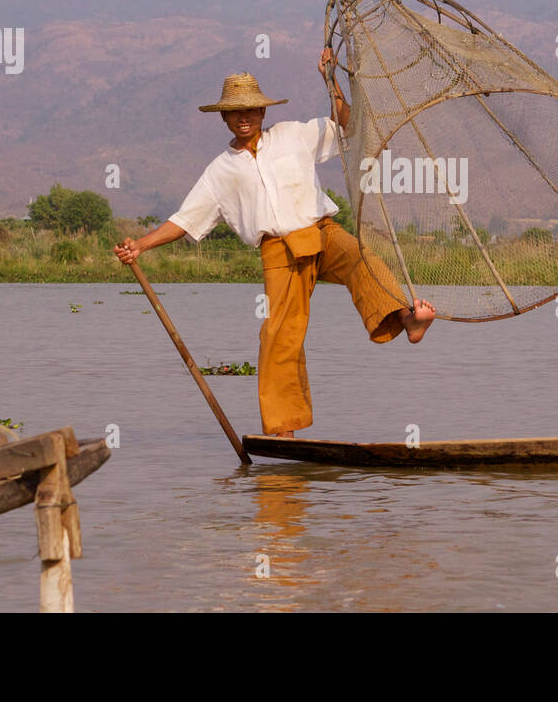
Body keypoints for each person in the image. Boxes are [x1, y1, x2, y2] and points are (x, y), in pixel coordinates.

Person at [115, 50, 435, 438]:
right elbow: (185, 220)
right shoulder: (219, 171)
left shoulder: (293, 135)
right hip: (278, 254)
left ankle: (408, 320)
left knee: (361, 258)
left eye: (251, 110)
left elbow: (348, 127)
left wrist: (330, 81)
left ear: (264, 113)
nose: (244, 117)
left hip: (321, 232)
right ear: (224, 119)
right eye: (235, 112)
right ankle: (285, 431)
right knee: (278, 337)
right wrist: (142, 246)